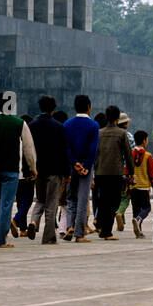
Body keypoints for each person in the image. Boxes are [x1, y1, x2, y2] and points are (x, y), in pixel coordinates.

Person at [0, 93, 37, 249]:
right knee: (6, 204)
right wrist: (33, 167)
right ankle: (0, 239)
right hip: (11, 171)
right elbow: (28, 148)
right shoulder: (20, 123)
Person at [26, 96, 67, 243]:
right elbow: (64, 152)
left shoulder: (32, 126)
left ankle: (33, 222)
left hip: (38, 170)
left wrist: (29, 169)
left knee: (40, 200)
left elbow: (28, 149)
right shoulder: (59, 127)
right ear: (53, 109)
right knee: (51, 203)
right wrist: (66, 173)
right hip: (55, 170)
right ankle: (48, 236)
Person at [63, 94, 98, 243]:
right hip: (86, 167)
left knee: (71, 198)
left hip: (72, 166)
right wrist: (86, 166)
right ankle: (79, 233)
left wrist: (74, 163)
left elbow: (66, 147)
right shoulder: (94, 125)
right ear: (89, 107)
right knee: (83, 199)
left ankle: (69, 227)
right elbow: (93, 149)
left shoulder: (67, 124)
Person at [92, 106, 131, 240]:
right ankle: (106, 231)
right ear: (117, 117)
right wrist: (131, 172)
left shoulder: (99, 133)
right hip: (115, 173)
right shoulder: (121, 133)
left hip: (100, 172)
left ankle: (102, 226)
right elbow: (128, 154)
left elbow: (94, 154)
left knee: (103, 200)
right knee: (114, 202)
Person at [129, 129, 153, 237]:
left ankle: (138, 232)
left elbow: (127, 170)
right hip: (143, 186)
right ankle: (138, 219)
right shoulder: (148, 156)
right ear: (144, 141)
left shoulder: (131, 154)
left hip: (133, 186)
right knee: (146, 208)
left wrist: (128, 185)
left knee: (135, 209)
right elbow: (151, 173)